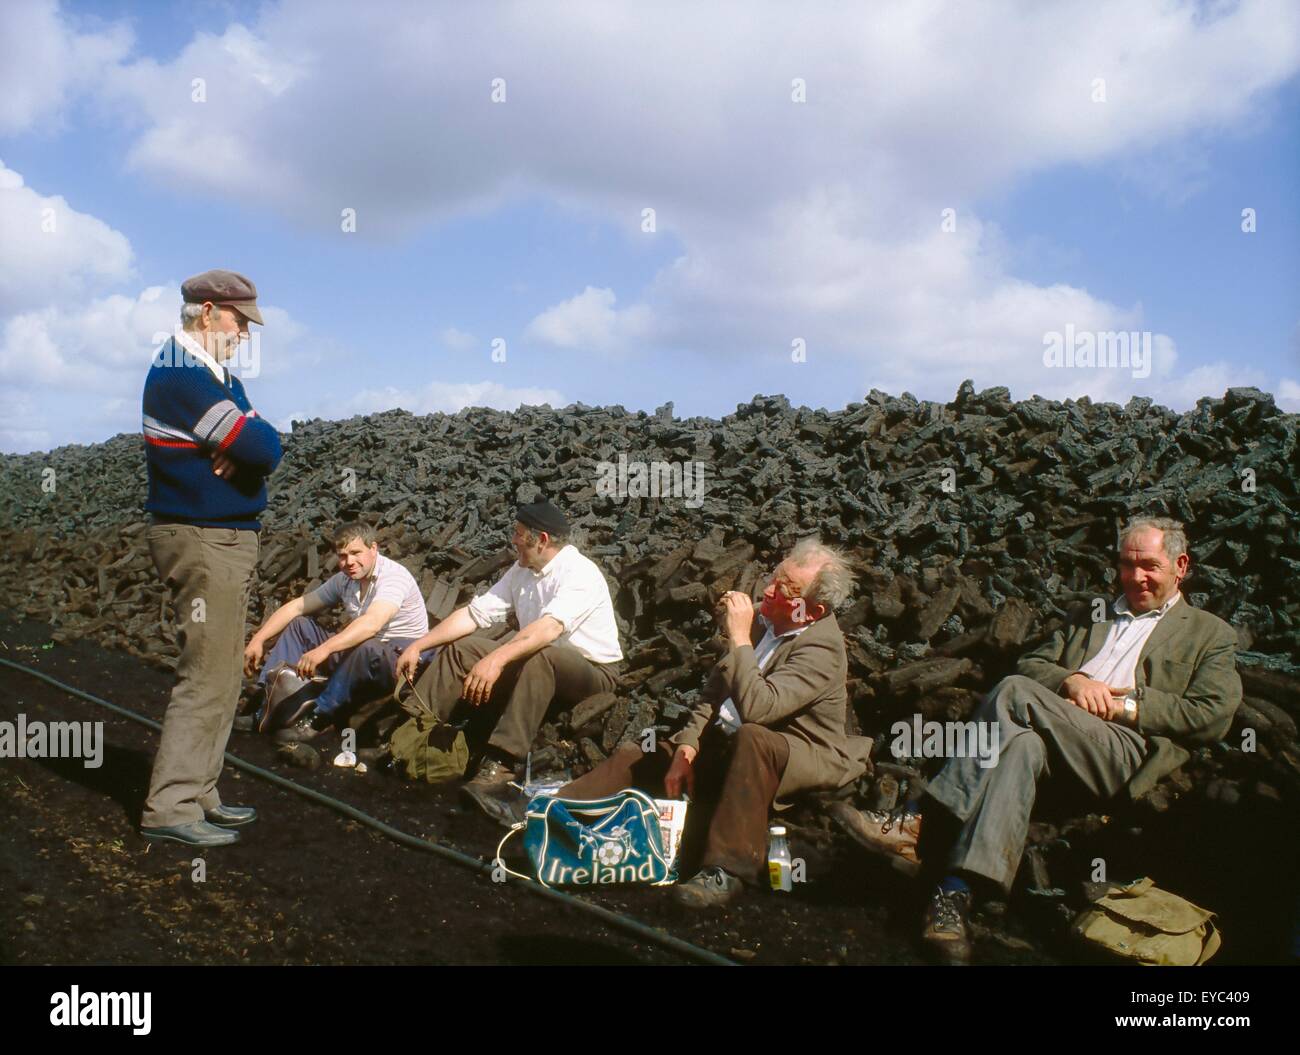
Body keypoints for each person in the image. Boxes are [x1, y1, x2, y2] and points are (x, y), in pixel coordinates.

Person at [832, 516, 1242, 963]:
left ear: (1180, 565)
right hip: (1055, 732)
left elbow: (1212, 715)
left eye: (1150, 566)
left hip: (1125, 748)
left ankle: (919, 819)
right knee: (1022, 747)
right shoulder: (1094, 613)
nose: (1135, 577)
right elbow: (1032, 663)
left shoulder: (1209, 633)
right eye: (1127, 565)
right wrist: (1072, 680)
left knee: (1012, 694)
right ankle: (956, 897)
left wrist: (1126, 706)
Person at [560, 538, 873, 909]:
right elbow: (713, 695)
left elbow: (760, 709)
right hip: (733, 740)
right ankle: (552, 812)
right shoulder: (764, 616)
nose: (769, 591)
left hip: (798, 750)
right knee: (639, 755)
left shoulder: (823, 649)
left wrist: (739, 636)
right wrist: (688, 745)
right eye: (774, 578)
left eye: (786, 590)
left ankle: (726, 869)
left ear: (813, 610)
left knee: (753, 737)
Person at [140, 269, 283, 847]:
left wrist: (247, 451)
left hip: (221, 538)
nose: (246, 333)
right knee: (205, 673)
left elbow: (265, 441)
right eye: (240, 320)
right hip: (203, 538)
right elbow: (257, 445)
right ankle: (170, 806)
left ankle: (200, 792)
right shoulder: (182, 373)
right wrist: (244, 451)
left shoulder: (214, 374)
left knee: (224, 673)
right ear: (207, 312)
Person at [396, 500, 623, 821]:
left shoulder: (580, 573)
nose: (513, 540)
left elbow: (548, 629)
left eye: (518, 534)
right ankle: (411, 732)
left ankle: (500, 764)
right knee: (466, 648)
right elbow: (475, 615)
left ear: (541, 539)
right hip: (537, 658)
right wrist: (419, 644)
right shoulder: (521, 570)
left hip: (592, 672)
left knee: (540, 656)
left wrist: (497, 659)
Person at [241, 522, 434, 741]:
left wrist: (325, 649)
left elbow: (372, 623)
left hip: (399, 659)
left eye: (355, 553)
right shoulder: (345, 580)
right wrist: (259, 638)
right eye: (342, 556)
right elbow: (297, 606)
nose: (349, 562)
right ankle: (267, 701)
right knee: (300, 626)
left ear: (373, 549)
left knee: (368, 647)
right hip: (362, 649)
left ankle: (318, 717)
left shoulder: (393, 578)